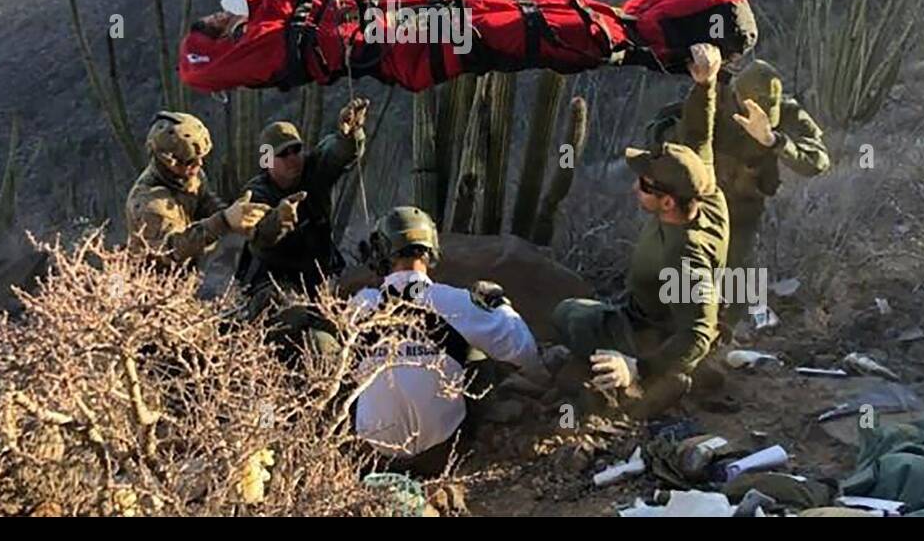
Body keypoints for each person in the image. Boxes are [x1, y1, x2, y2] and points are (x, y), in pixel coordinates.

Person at [178, 0, 757, 94]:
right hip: (432, 30)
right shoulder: (609, 30)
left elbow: (203, 67)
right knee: (353, 25)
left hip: (430, 32)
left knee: (351, 30)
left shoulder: (605, 31)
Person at [551, 42, 730, 419]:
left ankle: (655, 382)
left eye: (646, 185)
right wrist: (705, 85)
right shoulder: (704, 189)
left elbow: (697, 331)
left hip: (652, 329)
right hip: (661, 306)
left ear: (667, 202)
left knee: (568, 316)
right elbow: (699, 137)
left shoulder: (684, 255)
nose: (636, 187)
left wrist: (638, 368)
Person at [350, 207, 545, 474]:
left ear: (382, 252)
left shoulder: (360, 305)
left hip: (372, 457)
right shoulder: (457, 302)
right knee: (475, 352)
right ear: (431, 250)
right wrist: (497, 303)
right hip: (441, 456)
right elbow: (524, 351)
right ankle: (474, 453)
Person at [648, 57, 830, 319]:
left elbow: (818, 162)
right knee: (681, 281)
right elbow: (667, 138)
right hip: (697, 207)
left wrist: (773, 140)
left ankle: (735, 339)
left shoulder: (788, 112)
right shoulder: (712, 101)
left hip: (744, 210)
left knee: (740, 286)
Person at [236, 97, 370, 303]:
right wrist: (279, 219)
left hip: (321, 270)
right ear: (268, 160)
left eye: (296, 149)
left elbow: (337, 153)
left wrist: (349, 134)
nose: (292, 158)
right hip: (274, 278)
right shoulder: (256, 192)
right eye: (283, 153)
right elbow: (260, 236)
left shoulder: (314, 169)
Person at [125, 111, 269, 267]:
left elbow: (206, 202)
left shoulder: (189, 173)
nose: (199, 165)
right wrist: (225, 220)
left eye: (201, 158)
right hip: (155, 282)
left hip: (191, 269)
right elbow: (174, 249)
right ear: (170, 161)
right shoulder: (148, 200)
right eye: (191, 161)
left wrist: (239, 214)